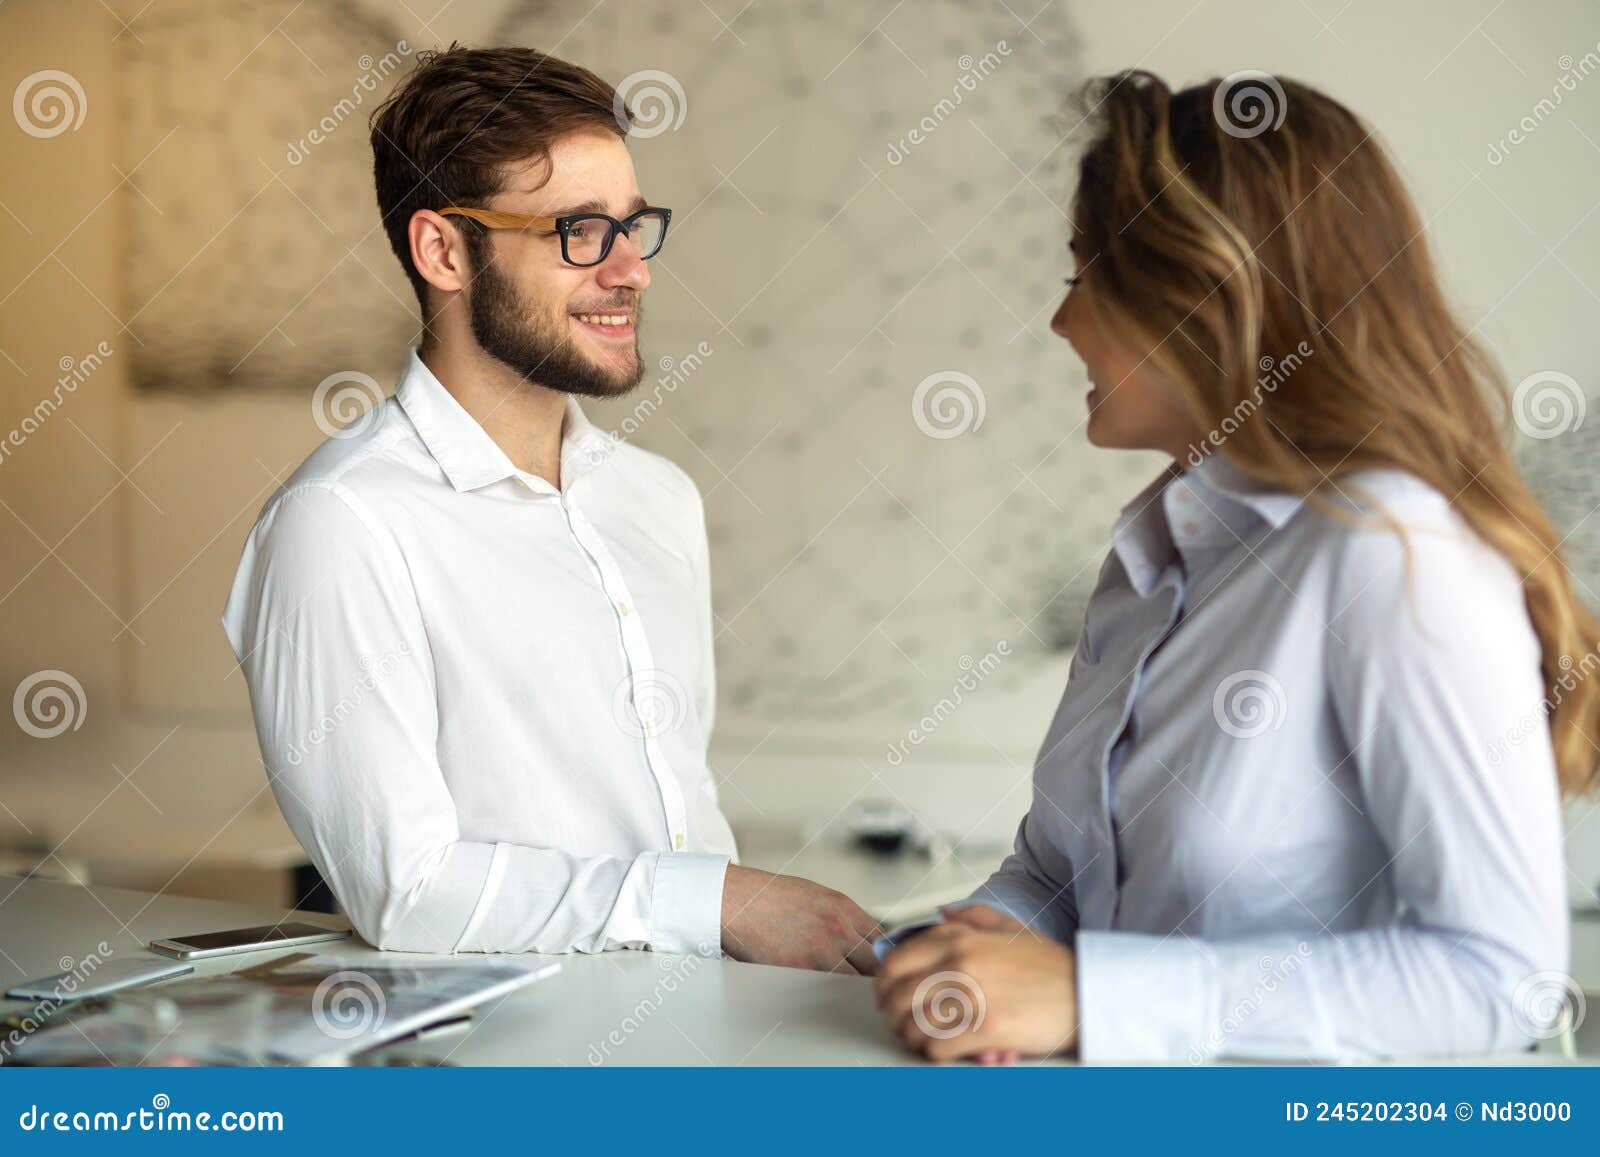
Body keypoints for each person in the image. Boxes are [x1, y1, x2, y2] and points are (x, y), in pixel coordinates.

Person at [876, 69, 1597, 1062]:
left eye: (1081, 276)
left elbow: (1497, 978)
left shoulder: (1393, 555)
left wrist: (1092, 997)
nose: (1060, 323)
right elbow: (1058, 872)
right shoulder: (1153, 553)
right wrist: (951, 950)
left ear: (1202, 298)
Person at [221, 45, 881, 973]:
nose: (631, 272)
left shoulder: (659, 500)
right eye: (578, 230)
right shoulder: (340, 525)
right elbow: (404, 890)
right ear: (443, 250)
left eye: (632, 225)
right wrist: (718, 898)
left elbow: (678, 805)